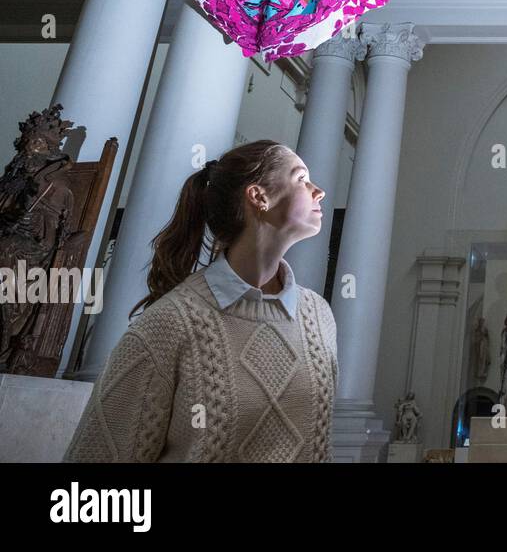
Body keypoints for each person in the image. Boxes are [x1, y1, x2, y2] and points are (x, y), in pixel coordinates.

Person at [64, 140, 337, 462]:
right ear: (258, 196)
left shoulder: (318, 315)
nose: (319, 191)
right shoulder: (169, 323)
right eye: (301, 178)